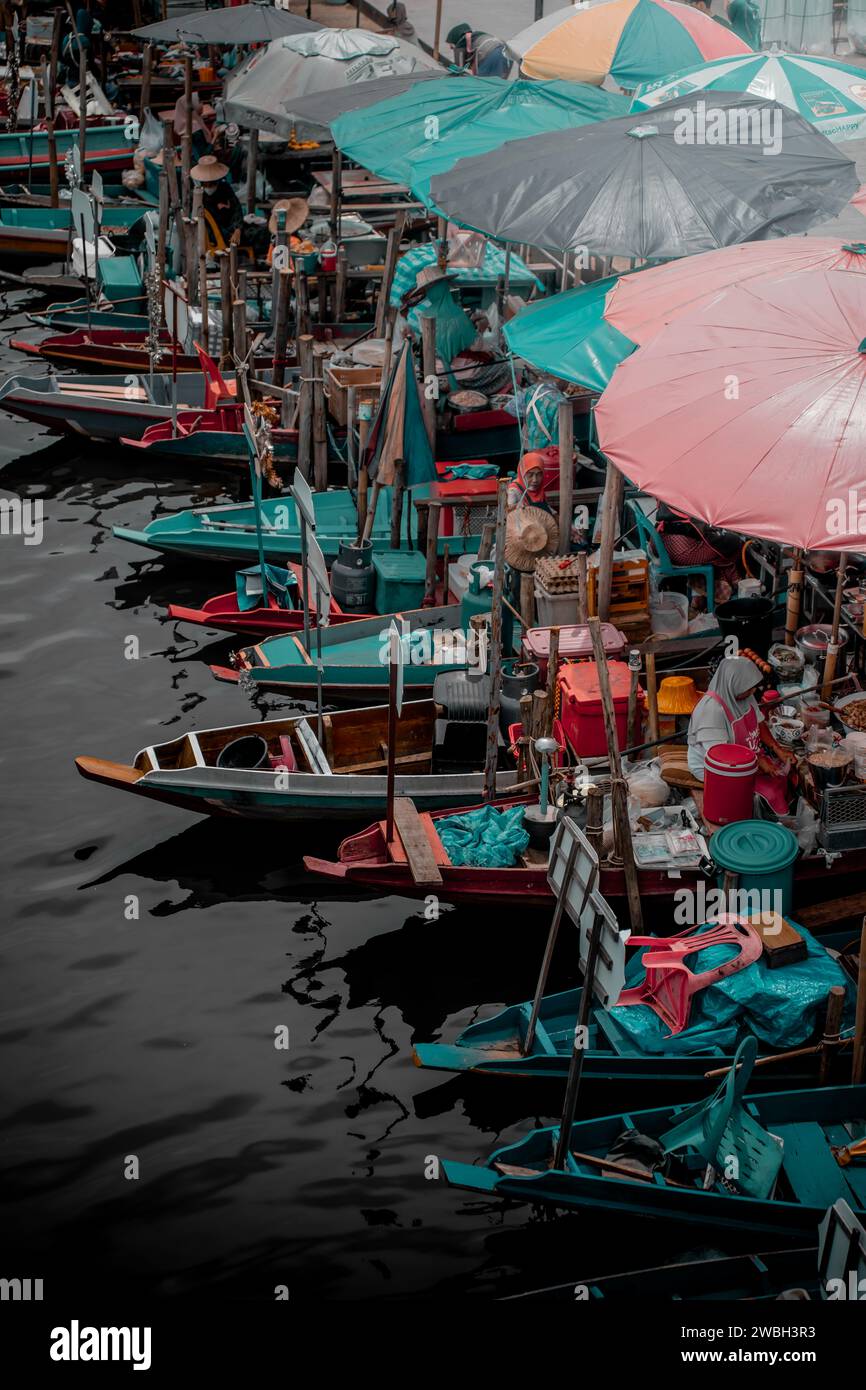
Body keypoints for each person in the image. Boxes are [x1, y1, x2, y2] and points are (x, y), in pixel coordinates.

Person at [192, 155, 269, 258]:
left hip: (233, 227)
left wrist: (238, 229)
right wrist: (230, 234)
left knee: (264, 229)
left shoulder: (225, 188)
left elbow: (236, 209)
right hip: (218, 235)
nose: (209, 187)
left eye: (212, 183)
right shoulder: (200, 197)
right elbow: (211, 227)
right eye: (207, 184)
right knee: (258, 234)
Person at [507, 451, 554, 515]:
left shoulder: (539, 489)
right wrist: (516, 507)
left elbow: (547, 508)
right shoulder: (514, 491)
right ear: (522, 474)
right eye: (530, 475)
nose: (535, 480)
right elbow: (509, 511)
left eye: (538, 474)